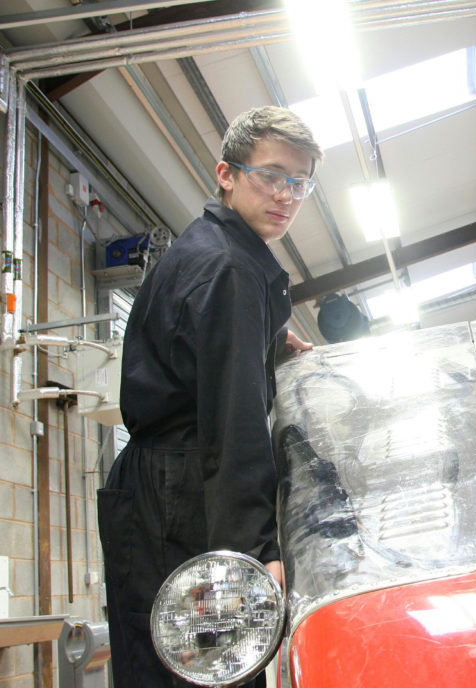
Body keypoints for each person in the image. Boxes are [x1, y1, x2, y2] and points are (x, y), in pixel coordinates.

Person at [97, 106, 323, 687]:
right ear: (227, 173)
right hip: (182, 490)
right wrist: (254, 551)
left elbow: (195, 356)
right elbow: (235, 423)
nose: (286, 195)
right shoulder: (229, 270)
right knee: (204, 669)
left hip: (160, 481)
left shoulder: (217, 251)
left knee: (163, 665)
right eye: (270, 175)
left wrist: (266, 342)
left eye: (300, 183)